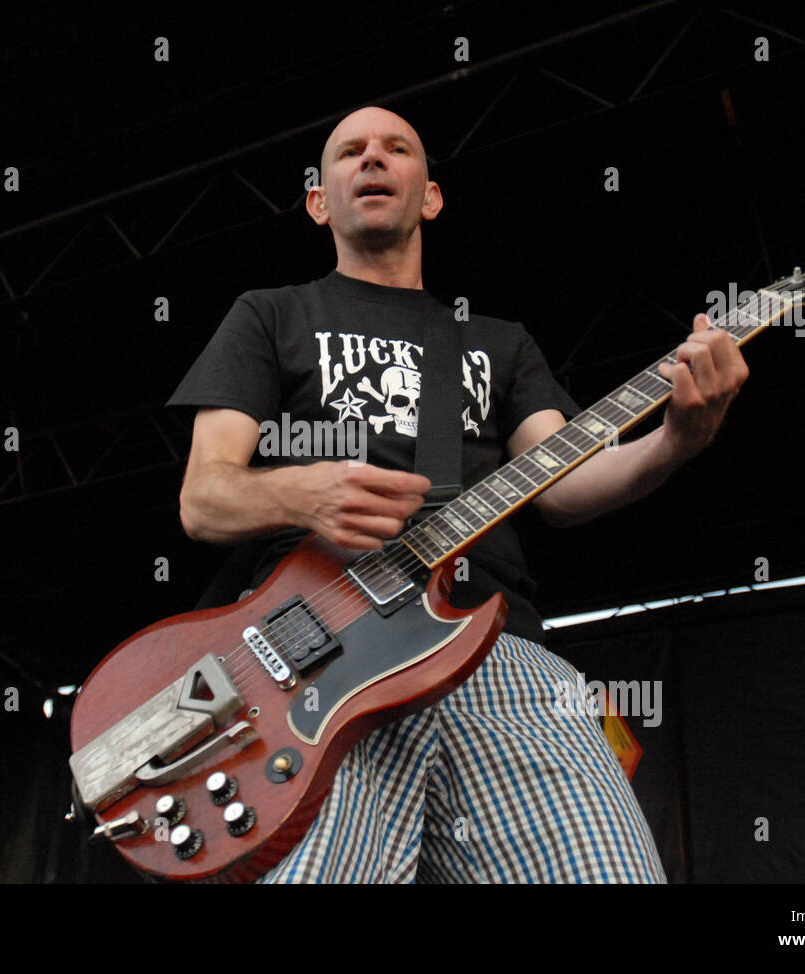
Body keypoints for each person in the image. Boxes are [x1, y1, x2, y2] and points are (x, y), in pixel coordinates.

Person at [167, 106, 748, 883]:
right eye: (350, 151)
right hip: (322, 672)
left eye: (396, 148)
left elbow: (565, 483)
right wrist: (304, 493)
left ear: (430, 195)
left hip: (500, 656)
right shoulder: (270, 315)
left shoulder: (497, 342)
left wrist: (679, 438)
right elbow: (205, 498)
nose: (372, 158)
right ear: (318, 201)